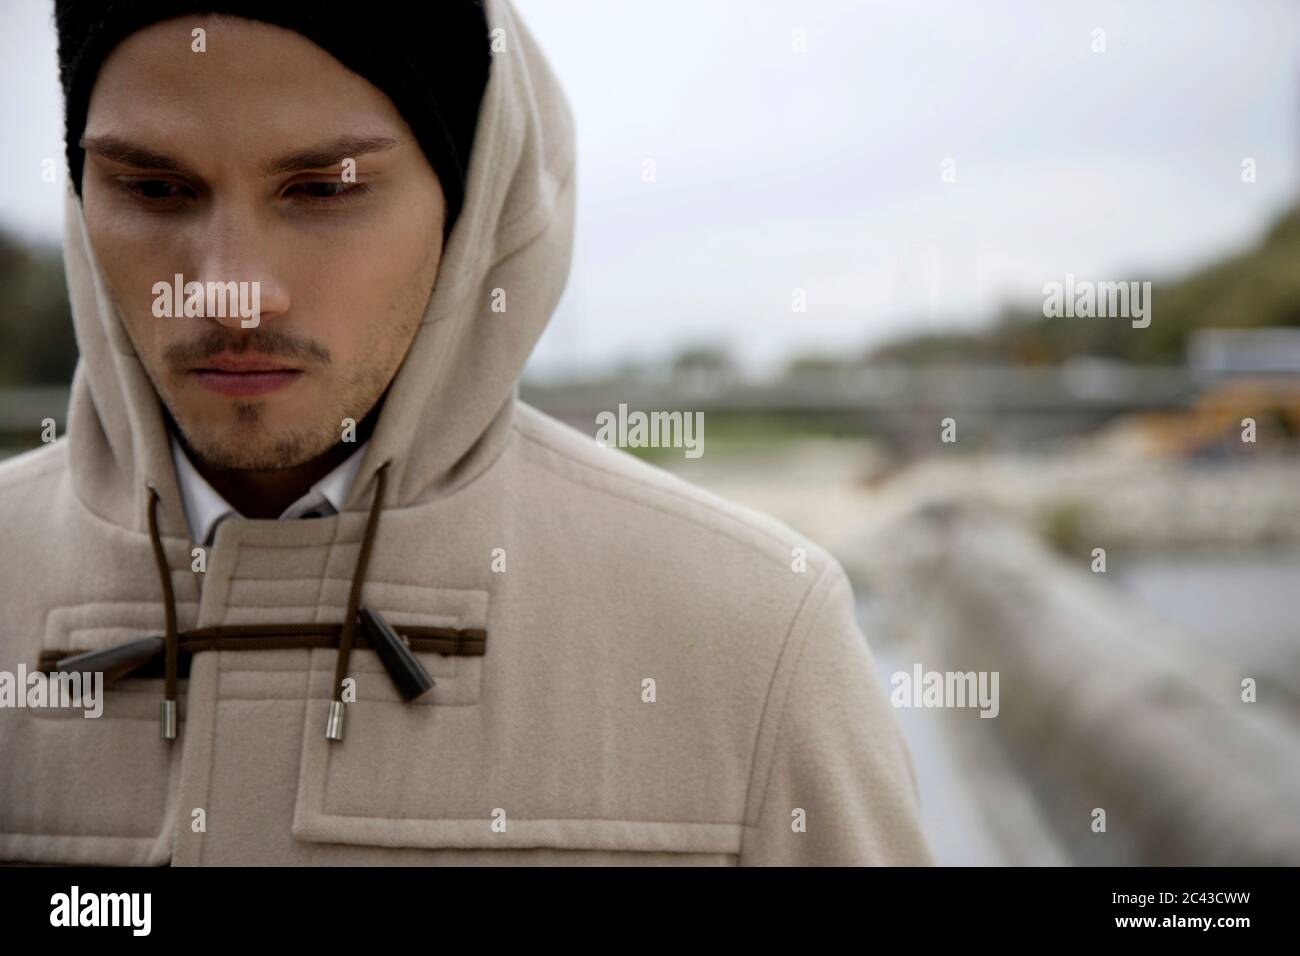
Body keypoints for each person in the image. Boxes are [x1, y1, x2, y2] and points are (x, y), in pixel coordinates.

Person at [0, 0, 935, 865]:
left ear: (470, 201)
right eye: (156, 189)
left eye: (323, 189)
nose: (230, 289)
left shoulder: (758, 644)